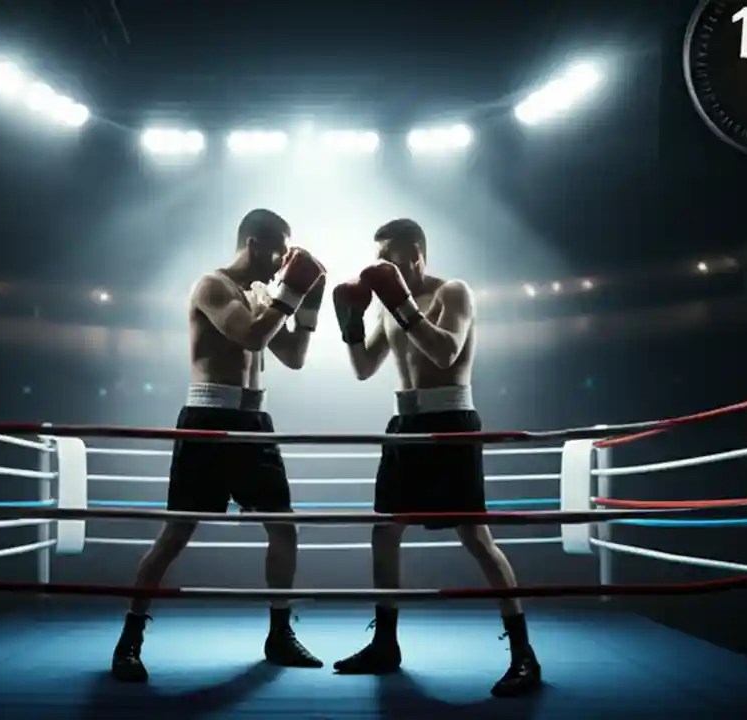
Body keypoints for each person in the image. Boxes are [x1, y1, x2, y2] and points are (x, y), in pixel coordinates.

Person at [111, 208, 327, 682]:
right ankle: (129, 641)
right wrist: (291, 291)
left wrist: (309, 303)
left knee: (284, 528)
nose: (283, 261)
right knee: (175, 535)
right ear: (253, 243)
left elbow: (290, 357)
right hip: (208, 418)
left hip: (253, 423)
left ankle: (279, 635)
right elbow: (250, 337)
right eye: (279, 250)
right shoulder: (212, 286)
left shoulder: (261, 294)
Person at [329, 218, 541, 697]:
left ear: (417, 252)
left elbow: (445, 353)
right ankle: (385, 643)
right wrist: (350, 326)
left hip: (450, 421)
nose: (380, 265)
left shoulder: (454, 292)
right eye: (377, 255)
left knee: (476, 538)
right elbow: (364, 369)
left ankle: (524, 654)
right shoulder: (388, 305)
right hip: (405, 426)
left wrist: (401, 306)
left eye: (389, 255)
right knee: (384, 533)